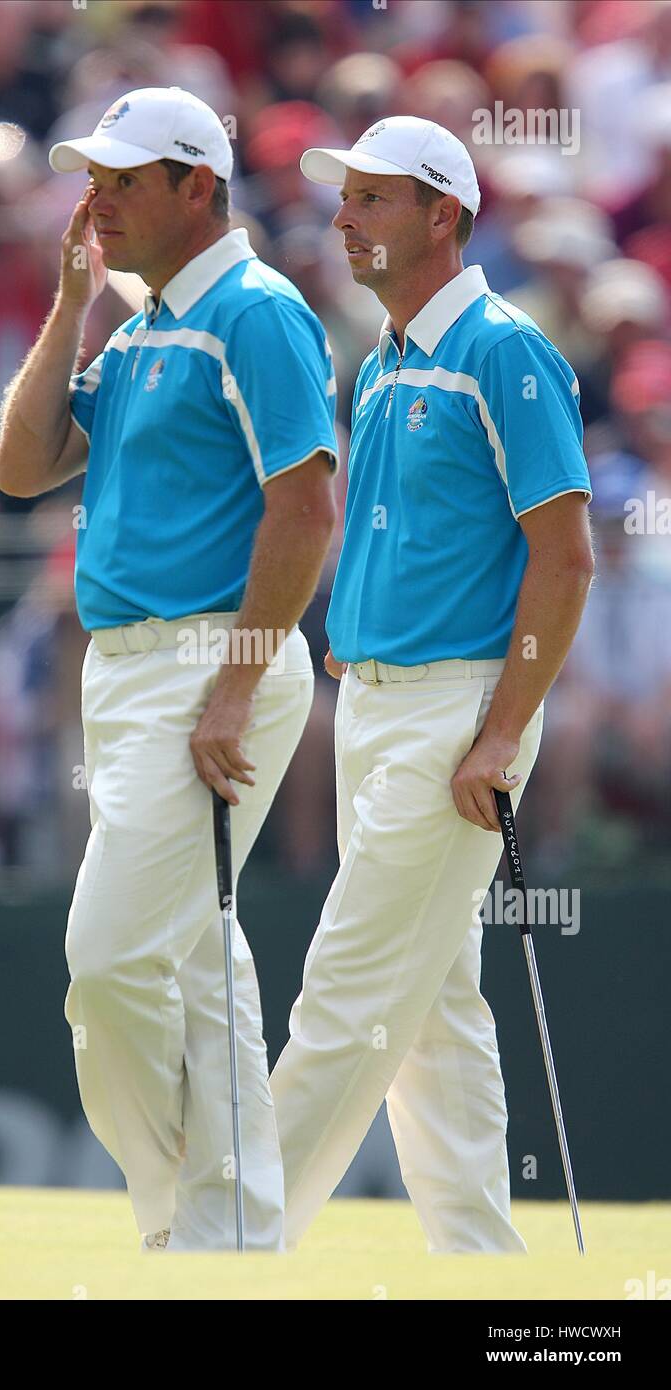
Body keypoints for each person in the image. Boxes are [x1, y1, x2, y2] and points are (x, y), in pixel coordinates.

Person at [0, 86, 338, 1251]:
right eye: (93, 177)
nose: (98, 199)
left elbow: (306, 506)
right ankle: (234, 1237)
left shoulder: (256, 311)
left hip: (210, 663)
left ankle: (174, 1221)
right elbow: (22, 462)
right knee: (196, 964)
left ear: (200, 185)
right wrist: (68, 306)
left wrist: (236, 682)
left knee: (105, 963)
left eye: (126, 179)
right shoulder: (138, 330)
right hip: (129, 673)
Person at [269, 116, 594, 1253]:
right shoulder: (384, 356)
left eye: (371, 198)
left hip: (460, 712)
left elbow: (565, 555)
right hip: (376, 702)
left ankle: (231, 1243)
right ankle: (483, 1269)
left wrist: (501, 731)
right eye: (343, 197)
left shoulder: (505, 348)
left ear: (442, 215)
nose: (343, 218)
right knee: (430, 1014)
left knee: (348, 987)